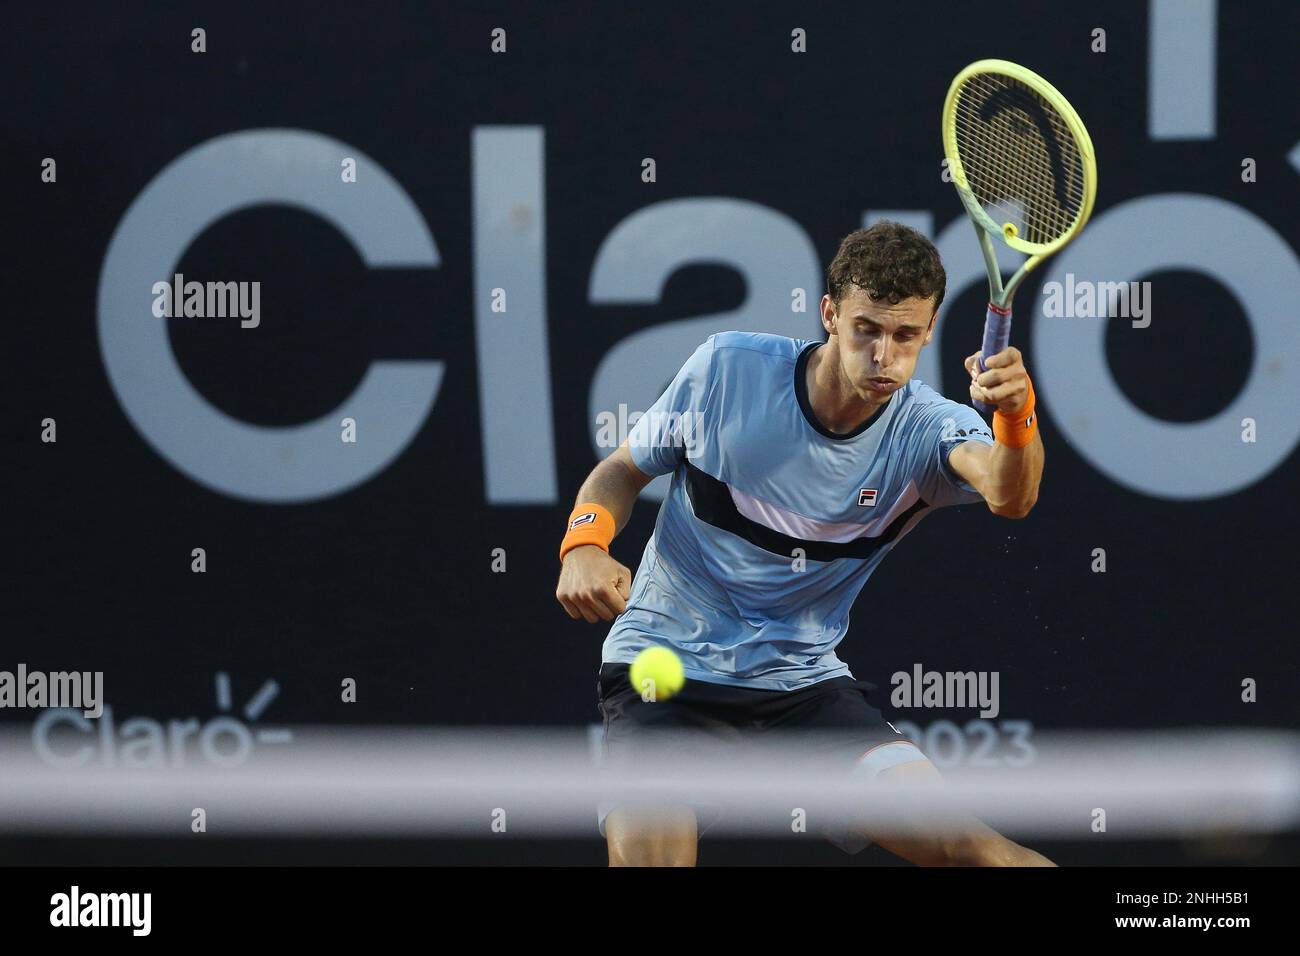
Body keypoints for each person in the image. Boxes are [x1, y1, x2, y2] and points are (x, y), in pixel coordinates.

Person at [556, 221, 1052, 866]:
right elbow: (623, 470)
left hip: (802, 683)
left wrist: (1016, 418)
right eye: (866, 329)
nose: (884, 356)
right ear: (829, 315)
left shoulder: (930, 428)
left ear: (929, 332)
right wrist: (585, 545)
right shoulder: (728, 369)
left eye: (905, 335)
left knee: (970, 849)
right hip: (665, 669)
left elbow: (1011, 496)